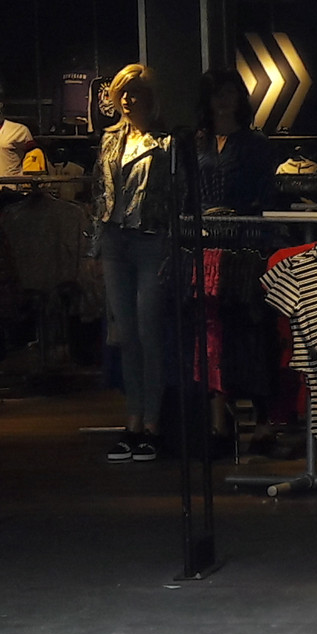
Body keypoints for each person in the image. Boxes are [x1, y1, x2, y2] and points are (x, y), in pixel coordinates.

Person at [94, 64, 177, 464]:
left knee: (148, 333)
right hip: (115, 240)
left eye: (134, 92)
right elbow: (100, 194)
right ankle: (132, 422)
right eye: (122, 93)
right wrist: (96, 247)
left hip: (150, 240)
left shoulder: (166, 142)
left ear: (149, 96)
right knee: (125, 335)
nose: (127, 99)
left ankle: (153, 424)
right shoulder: (110, 139)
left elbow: (175, 198)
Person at [194, 69, 274, 214]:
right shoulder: (197, 142)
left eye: (229, 92)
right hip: (202, 226)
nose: (223, 99)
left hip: (243, 225)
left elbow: (264, 193)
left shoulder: (254, 143)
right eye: (216, 93)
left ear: (239, 96)